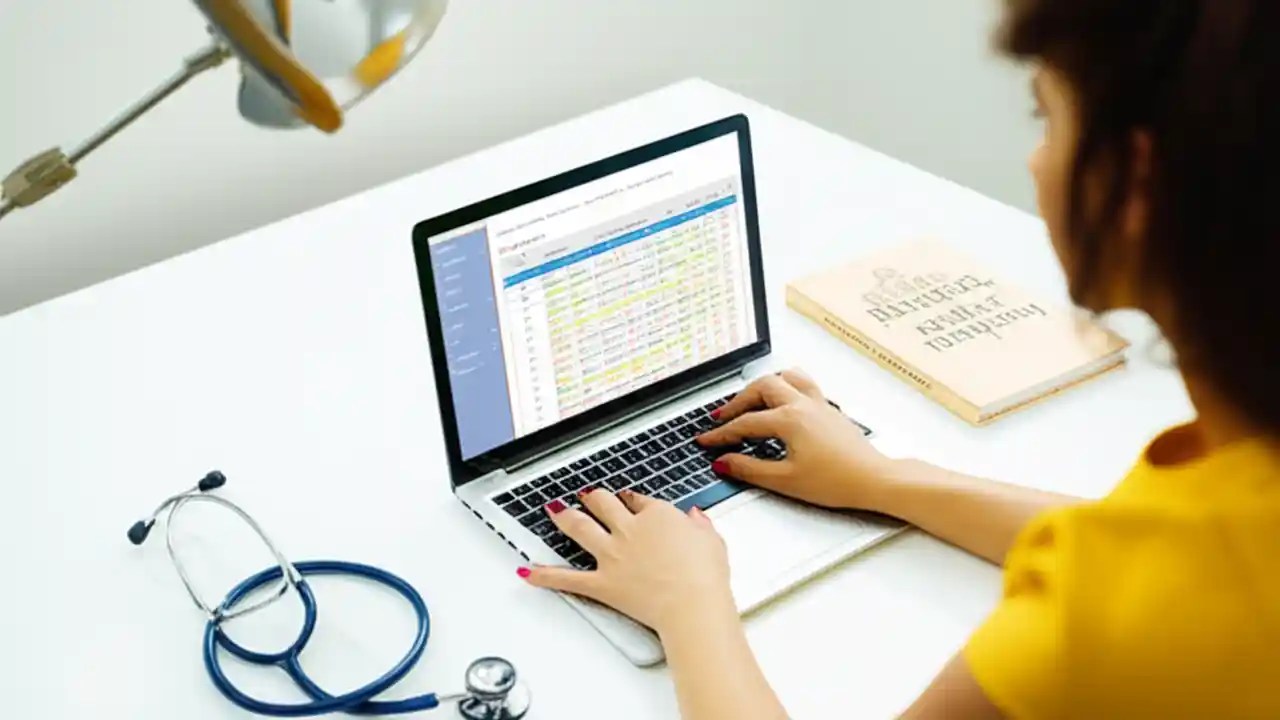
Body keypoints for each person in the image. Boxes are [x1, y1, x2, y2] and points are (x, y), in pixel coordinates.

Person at [520, 0, 1280, 716]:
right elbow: (1154, 552)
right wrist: (883, 480)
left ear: (1131, 183)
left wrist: (687, 603)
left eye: (1046, 118)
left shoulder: (1109, 618)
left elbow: (1143, 581)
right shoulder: (1228, 515)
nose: (1034, 162)